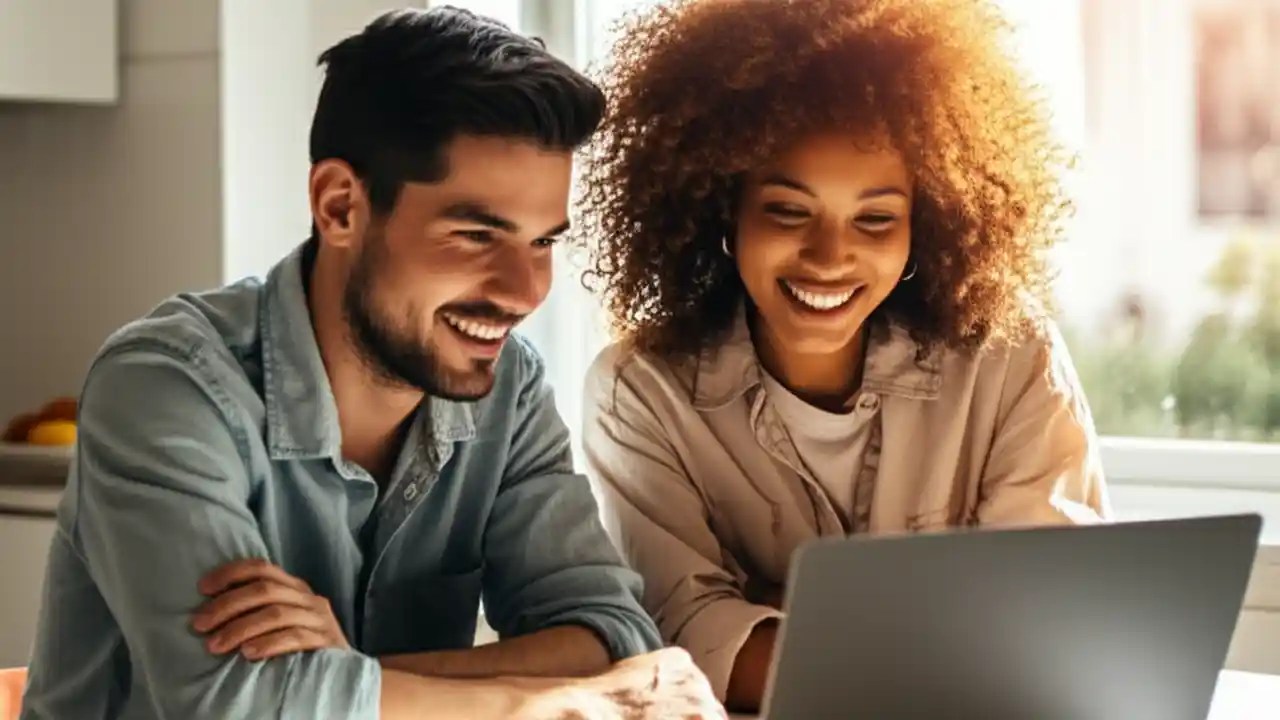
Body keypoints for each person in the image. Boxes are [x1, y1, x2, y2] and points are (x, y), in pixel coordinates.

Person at [20, 8, 722, 720]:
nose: (524, 291)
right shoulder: (164, 386)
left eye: (542, 242)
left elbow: (610, 637)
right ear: (339, 206)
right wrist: (554, 706)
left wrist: (347, 676)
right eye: (477, 234)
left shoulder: (507, 387)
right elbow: (234, 706)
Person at [578, 0, 1113, 712]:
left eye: (876, 219)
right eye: (788, 211)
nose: (831, 257)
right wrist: (935, 631)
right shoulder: (639, 394)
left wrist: (789, 617)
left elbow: (1042, 626)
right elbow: (680, 637)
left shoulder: (1010, 357)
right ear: (722, 211)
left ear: (924, 226)